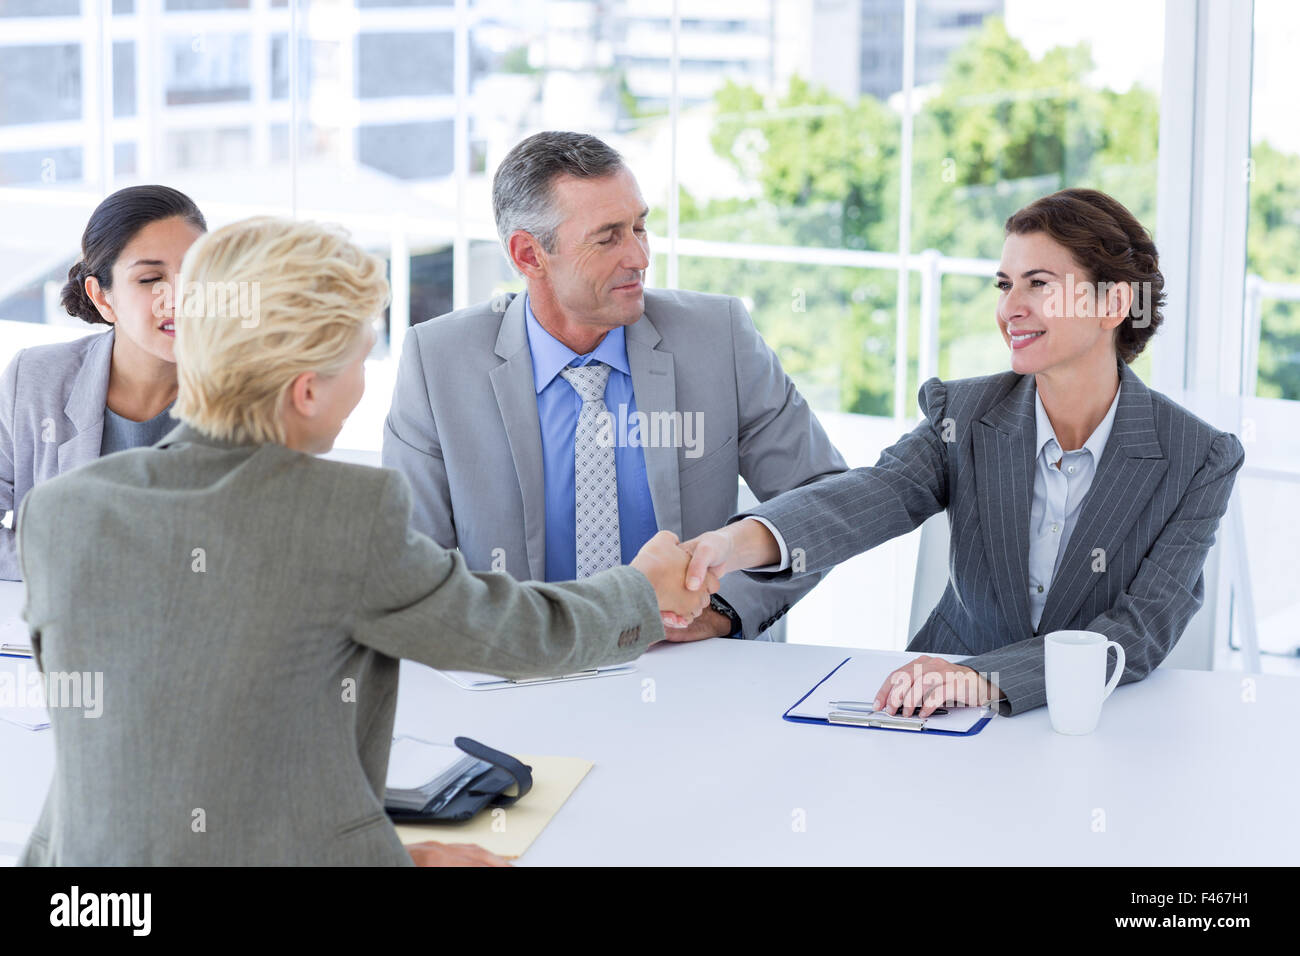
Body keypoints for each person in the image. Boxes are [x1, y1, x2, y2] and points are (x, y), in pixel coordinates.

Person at [16, 216, 715, 867]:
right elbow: (521, 635)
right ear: (307, 392)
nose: (362, 383)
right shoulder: (344, 513)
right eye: (358, 360)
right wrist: (644, 590)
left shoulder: (61, 514)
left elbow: (167, 744)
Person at [679, 188, 1246, 717]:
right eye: (1004, 285)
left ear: (1114, 303)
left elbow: (1141, 629)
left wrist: (987, 679)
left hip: (1089, 719)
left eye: (1039, 284)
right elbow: (864, 499)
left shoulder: (1197, 458)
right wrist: (730, 545)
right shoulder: (965, 415)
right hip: (934, 703)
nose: (1010, 309)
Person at [382, 130, 847, 642]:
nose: (640, 257)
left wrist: (722, 612)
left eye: (639, 227)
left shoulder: (720, 338)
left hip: (693, 671)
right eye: (607, 238)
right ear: (529, 255)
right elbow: (411, 573)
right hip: (517, 672)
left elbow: (826, 499)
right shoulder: (437, 363)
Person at [0, 184, 206, 580]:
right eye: (149, 279)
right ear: (102, 298)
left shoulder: (250, 394)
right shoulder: (36, 382)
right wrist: (62, 564)